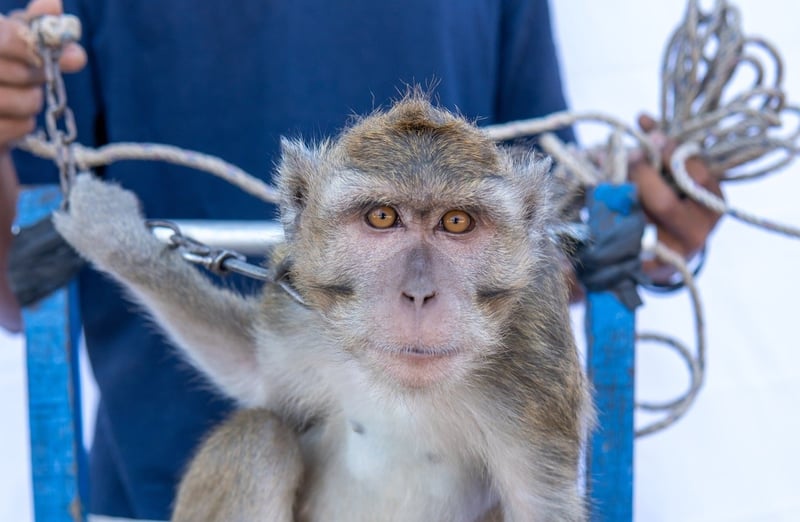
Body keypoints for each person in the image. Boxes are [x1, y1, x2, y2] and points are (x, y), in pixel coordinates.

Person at [0, 0, 721, 519]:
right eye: (379, 220)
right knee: (254, 441)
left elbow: (552, 224)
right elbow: (22, 267)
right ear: (301, 209)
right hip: (166, 486)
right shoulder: (308, 288)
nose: (417, 291)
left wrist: (642, 234)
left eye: (459, 224)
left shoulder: (515, 319)